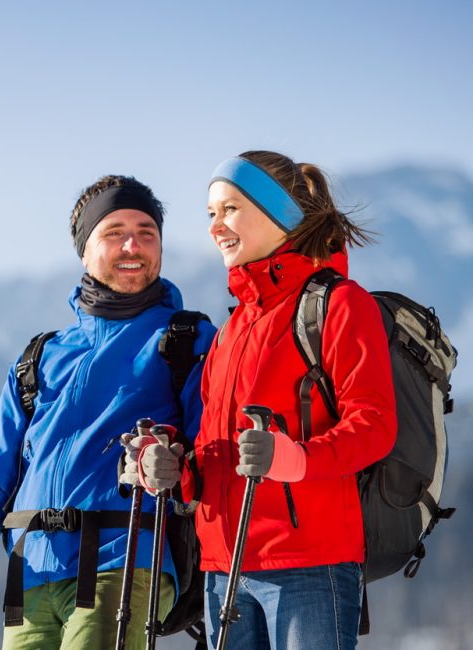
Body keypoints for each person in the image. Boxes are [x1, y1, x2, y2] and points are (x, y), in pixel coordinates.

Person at [0, 175, 216, 649]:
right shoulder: (39, 359)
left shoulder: (187, 340)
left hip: (124, 561)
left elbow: (211, 450)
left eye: (147, 232)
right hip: (31, 578)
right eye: (114, 231)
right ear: (85, 250)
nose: (133, 244)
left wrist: (171, 463)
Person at [122, 151, 397, 649]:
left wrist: (295, 458)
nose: (215, 227)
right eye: (210, 214)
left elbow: (374, 424)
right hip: (223, 570)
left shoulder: (337, 304)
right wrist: (172, 471)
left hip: (310, 565)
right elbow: (215, 457)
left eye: (230, 209)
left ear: (280, 215)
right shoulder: (231, 331)